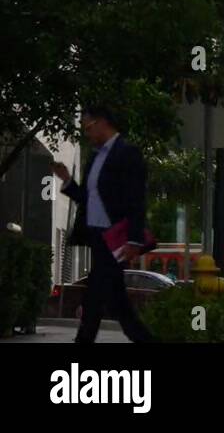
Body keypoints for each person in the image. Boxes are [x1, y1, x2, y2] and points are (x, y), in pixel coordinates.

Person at [51, 105, 154, 343]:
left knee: (95, 300)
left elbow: (137, 200)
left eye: (88, 127)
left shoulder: (128, 153)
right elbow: (89, 201)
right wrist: (67, 180)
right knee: (117, 305)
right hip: (97, 238)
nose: (87, 134)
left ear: (103, 122)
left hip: (115, 240)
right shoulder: (95, 158)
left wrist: (133, 239)